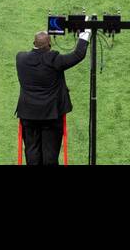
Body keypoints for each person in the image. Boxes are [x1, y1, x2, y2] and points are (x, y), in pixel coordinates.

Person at [16, 28, 89, 165]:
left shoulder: (20, 59)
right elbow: (78, 54)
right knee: (50, 154)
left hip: (28, 114)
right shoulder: (55, 60)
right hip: (51, 115)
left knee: (31, 152)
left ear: (34, 43)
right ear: (49, 44)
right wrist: (85, 34)